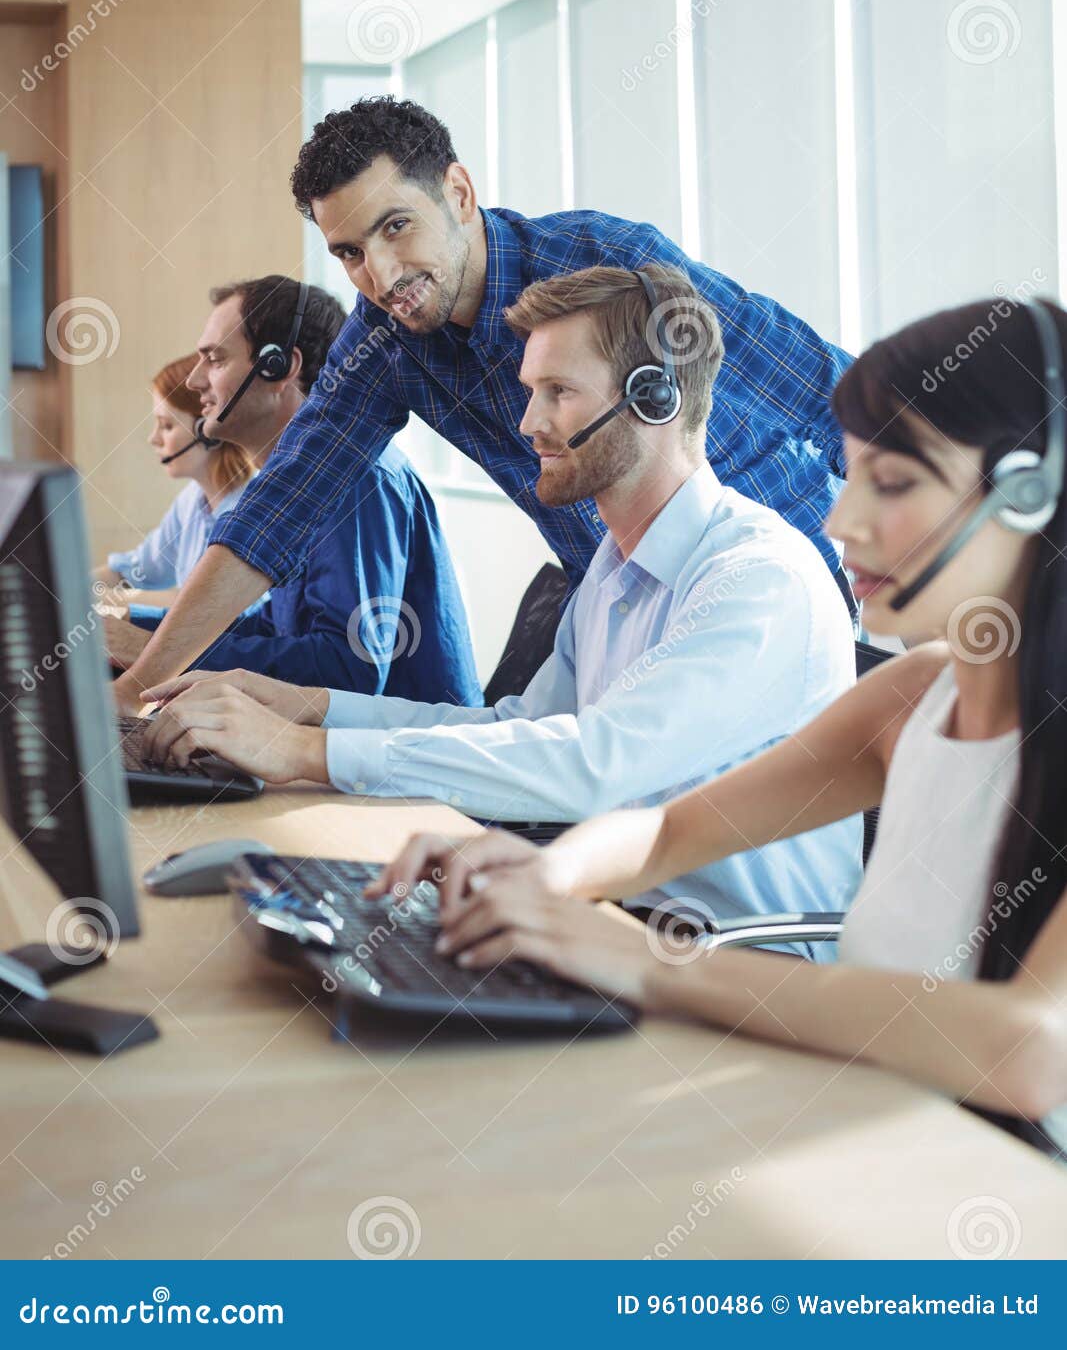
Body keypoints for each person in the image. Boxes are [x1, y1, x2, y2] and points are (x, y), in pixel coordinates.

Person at [371, 296, 1067, 1153]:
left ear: (1030, 493)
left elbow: (1031, 1049)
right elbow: (669, 831)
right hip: (854, 1123)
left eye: (891, 483)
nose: (840, 521)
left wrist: (646, 962)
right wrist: (547, 875)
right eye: (849, 476)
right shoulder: (917, 694)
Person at [139, 264, 860, 948]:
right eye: (529, 391)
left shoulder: (758, 579)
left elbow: (593, 766)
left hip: (737, 959)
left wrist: (303, 752)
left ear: (654, 400)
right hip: (613, 921)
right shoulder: (612, 566)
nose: (526, 423)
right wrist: (313, 707)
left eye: (558, 393)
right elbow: (523, 726)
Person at [113, 98, 854, 709]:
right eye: (348, 252)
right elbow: (279, 509)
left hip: (758, 586)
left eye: (395, 226)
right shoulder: (385, 341)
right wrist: (138, 692)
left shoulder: (607, 263)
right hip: (609, 590)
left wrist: (942, 562)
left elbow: (825, 390)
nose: (380, 274)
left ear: (459, 195)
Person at [107, 275, 480, 704]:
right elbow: (274, 629)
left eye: (215, 359)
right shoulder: (285, 485)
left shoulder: (355, 477)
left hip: (393, 762)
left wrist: (148, 653)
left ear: (279, 367)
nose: (193, 381)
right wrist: (131, 623)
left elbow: (347, 669)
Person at [94, 352, 253, 608]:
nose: (153, 439)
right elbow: (133, 571)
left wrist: (90, 599)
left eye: (167, 426)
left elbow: (194, 606)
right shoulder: (192, 500)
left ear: (208, 432)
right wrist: (63, 587)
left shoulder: (247, 509)